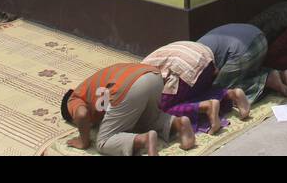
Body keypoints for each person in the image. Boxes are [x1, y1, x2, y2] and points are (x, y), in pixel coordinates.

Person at [61, 63, 196, 156]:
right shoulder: (89, 89)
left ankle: (144, 139)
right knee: (147, 119)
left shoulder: (73, 98)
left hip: (129, 85)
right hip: (152, 75)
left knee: (103, 142)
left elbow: (81, 114)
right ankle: (179, 124)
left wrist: (83, 141)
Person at [144, 41, 250, 133]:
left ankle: (206, 107)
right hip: (204, 57)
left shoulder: (142, 74)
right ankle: (230, 94)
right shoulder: (146, 62)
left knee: (164, 110)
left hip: (183, 66)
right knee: (197, 93)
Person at [199, 23, 287, 102]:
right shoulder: (195, 45)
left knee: (219, 92)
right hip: (259, 38)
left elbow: (214, 71)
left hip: (242, 50)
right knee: (243, 73)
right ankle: (279, 74)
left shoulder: (194, 59)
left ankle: (265, 81)